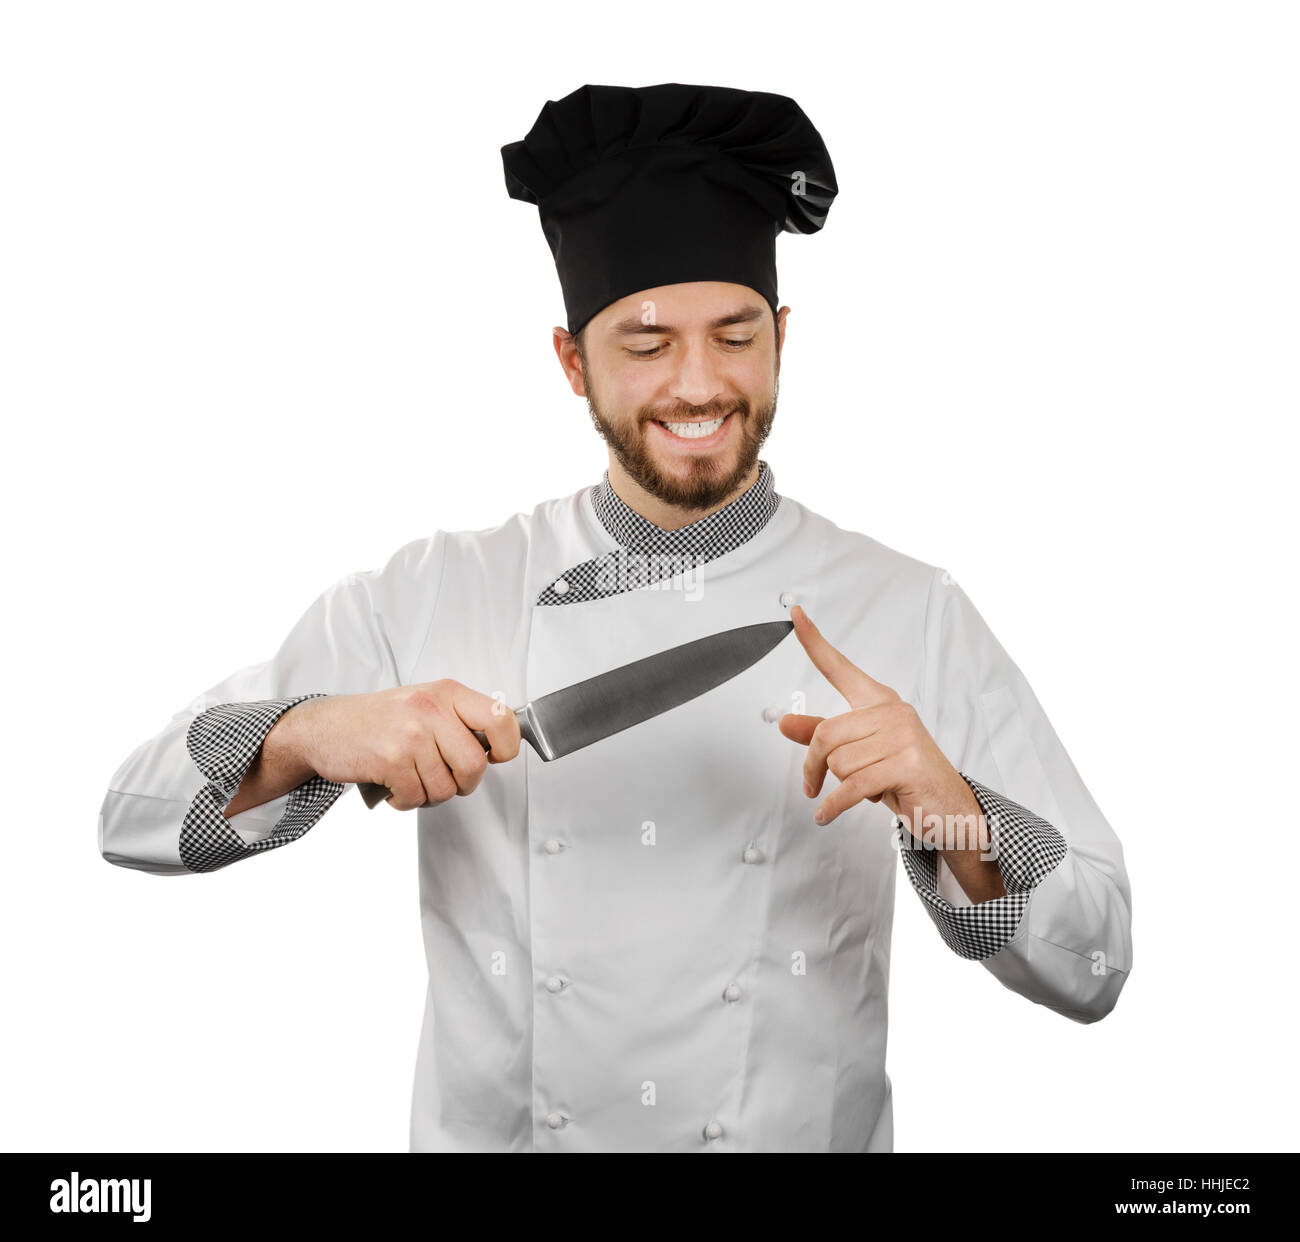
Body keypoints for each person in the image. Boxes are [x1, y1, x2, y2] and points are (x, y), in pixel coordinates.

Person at [99, 82, 1132, 1152]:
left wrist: (953, 812)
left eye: (734, 337)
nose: (697, 386)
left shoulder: (907, 608)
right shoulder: (435, 590)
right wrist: (312, 735)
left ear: (779, 338)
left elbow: (1095, 964)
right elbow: (130, 819)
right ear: (571, 361)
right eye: (644, 346)